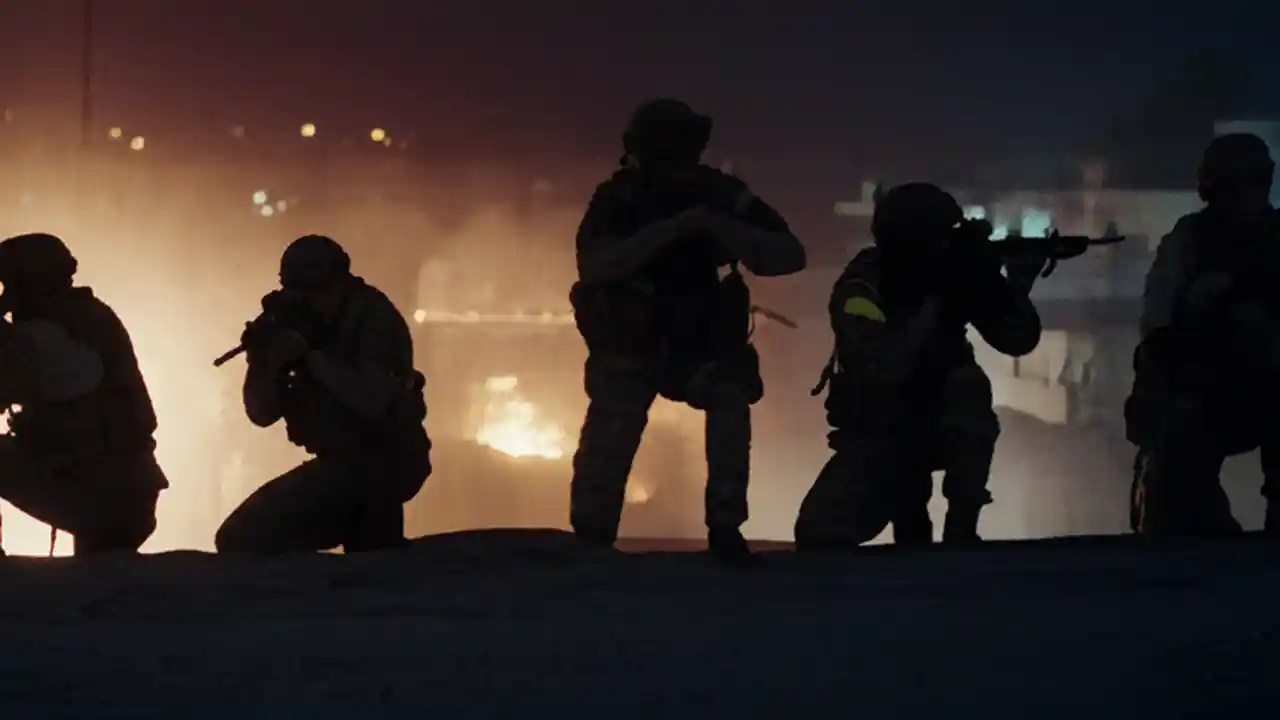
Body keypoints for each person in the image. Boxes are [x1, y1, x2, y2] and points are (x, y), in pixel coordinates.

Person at [569, 98, 806, 565]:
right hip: (633, 341)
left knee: (729, 399)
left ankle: (725, 527)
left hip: (699, 343)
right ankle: (591, 539)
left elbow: (787, 255)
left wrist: (716, 224)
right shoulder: (619, 198)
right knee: (609, 432)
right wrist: (673, 230)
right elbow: (597, 264)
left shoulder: (721, 194)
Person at [795, 183, 1043, 549]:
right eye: (937, 240)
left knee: (966, 385)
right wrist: (933, 304)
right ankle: (911, 524)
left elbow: (1016, 339)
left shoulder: (955, 274)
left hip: (943, 423)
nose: (945, 249)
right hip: (881, 430)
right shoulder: (863, 285)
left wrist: (1011, 287)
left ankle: (962, 528)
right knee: (819, 535)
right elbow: (880, 368)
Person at [215, 235, 431, 553]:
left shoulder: (373, 319)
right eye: (294, 291)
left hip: (386, 458)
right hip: (337, 462)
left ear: (339, 284)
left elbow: (374, 401)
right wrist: (262, 361)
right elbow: (261, 413)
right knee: (240, 536)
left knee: (371, 553)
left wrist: (310, 358)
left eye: (312, 291)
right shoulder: (293, 319)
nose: (303, 301)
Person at [1127, 133, 1279, 536]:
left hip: (1266, 382)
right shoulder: (1188, 241)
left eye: (1257, 181)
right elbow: (1157, 328)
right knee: (1174, 497)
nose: (1250, 194)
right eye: (1241, 183)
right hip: (1202, 384)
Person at [0, 233, 167, 555]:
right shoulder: (83, 319)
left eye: (11, 283)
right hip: (115, 488)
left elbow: (15, 384)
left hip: (103, 492)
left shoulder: (48, 334)